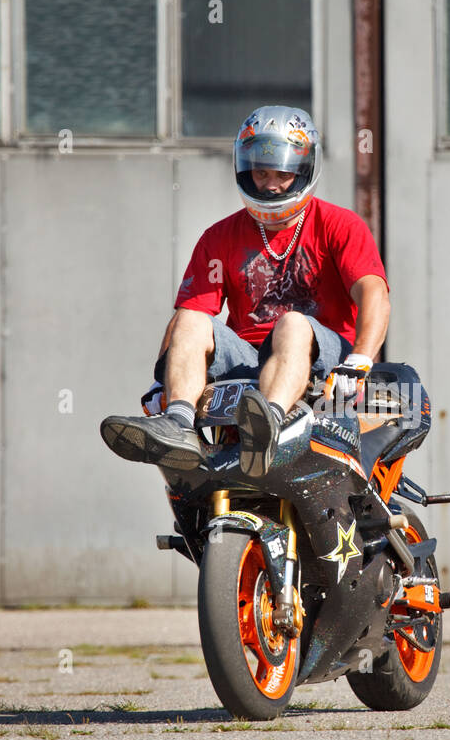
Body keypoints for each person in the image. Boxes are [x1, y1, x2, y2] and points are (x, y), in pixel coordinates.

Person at [100, 105, 390, 477]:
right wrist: (161, 381)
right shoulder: (218, 237)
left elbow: (374, 294)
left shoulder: (340, 225)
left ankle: (266, 425)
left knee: (293, 324)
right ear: (243, 168)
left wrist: (361, 361)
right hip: (250, 360)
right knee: (190, 317)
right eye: (261, 171)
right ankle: (178, 425)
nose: (270, 184)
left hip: (328, 361)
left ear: (304, 169)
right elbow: (189, 320)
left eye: (283, 173)